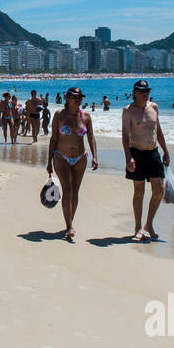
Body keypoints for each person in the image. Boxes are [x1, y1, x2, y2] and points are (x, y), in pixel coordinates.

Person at [45, 87, 98, 241]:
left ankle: (69, 222)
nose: (78, 99)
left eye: (80, 97)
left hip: (80, 158)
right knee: (67, 190)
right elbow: (54, 139)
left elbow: (91, 138)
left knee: (75, 192)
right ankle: (69, 227)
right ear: (67, 99)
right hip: (61, 157)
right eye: (75, 97)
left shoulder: (86, 117)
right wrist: (48, 162)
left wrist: (95, 156)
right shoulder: (59, 115)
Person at [121, 79, 170, 241]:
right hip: (137, 154)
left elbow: (159, 130)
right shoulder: (128, 110)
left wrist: (166, 151)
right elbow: (125, 135)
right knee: (139, 191)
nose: (145, 94)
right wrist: (128, 158)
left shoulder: (154, 107)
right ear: (134, 93)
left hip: (153, 153)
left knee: (159, 190)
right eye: (142, 91)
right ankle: (137, 227)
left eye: (147, 91)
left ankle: (149, 224)